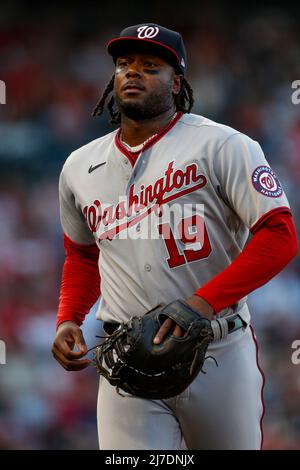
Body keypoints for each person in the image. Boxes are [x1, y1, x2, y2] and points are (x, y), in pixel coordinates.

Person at [52, 23, 298, 450]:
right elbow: (82, 255)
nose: (133, 73)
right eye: (124, 65)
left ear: (177, 81)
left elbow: (279, 236)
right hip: (127, 356)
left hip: (218, 349)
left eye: (150, 66)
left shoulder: (224, 146)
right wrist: (69, 316)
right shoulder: (79, 166)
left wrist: (199, 305)